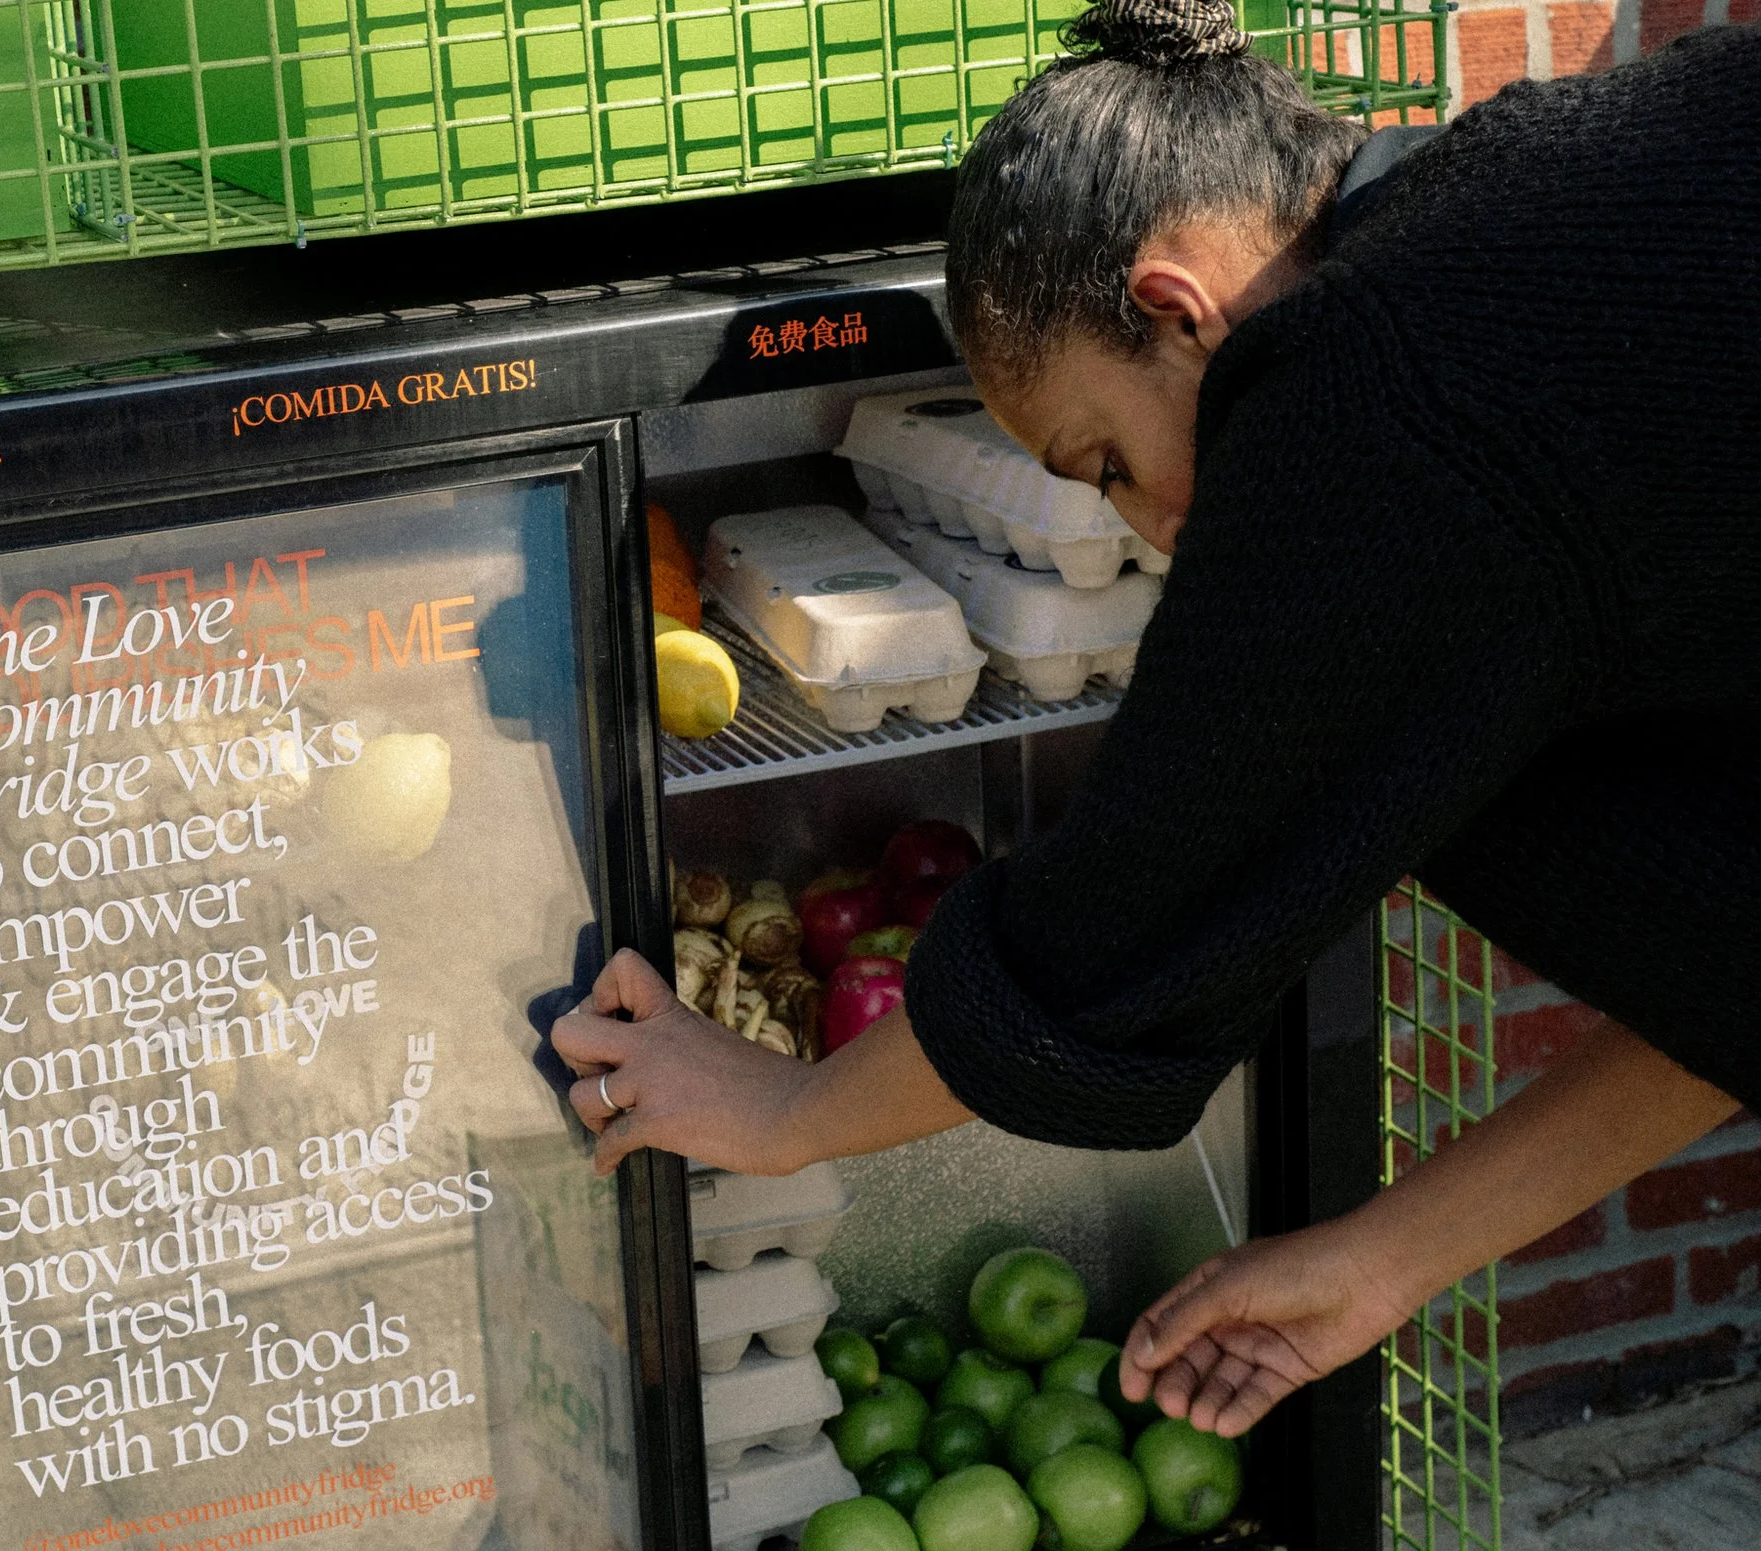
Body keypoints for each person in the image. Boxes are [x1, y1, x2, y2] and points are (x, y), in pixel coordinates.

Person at [553, 3, 1760, 1439]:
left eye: (1109, 461)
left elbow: (1116, 930)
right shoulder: (1522, 245)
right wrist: (1379, 1264)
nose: (1154, 529)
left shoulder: (1378, 385)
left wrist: (774, 1113)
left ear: (1179, 309)